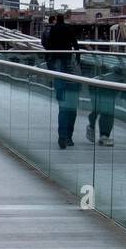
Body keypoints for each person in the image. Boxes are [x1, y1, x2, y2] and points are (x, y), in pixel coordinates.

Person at [44, 13, 81, 148]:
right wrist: (77, 56)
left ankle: (62, 136)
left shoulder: (53, 30)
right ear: (63, 19)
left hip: (57, 62)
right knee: (71, 107)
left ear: (56, 20)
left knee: (63, 106)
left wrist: (48, 59)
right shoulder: (68, 29)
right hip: (68, 62)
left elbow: (48, 45)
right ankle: (68, 137)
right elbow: (75, 43)